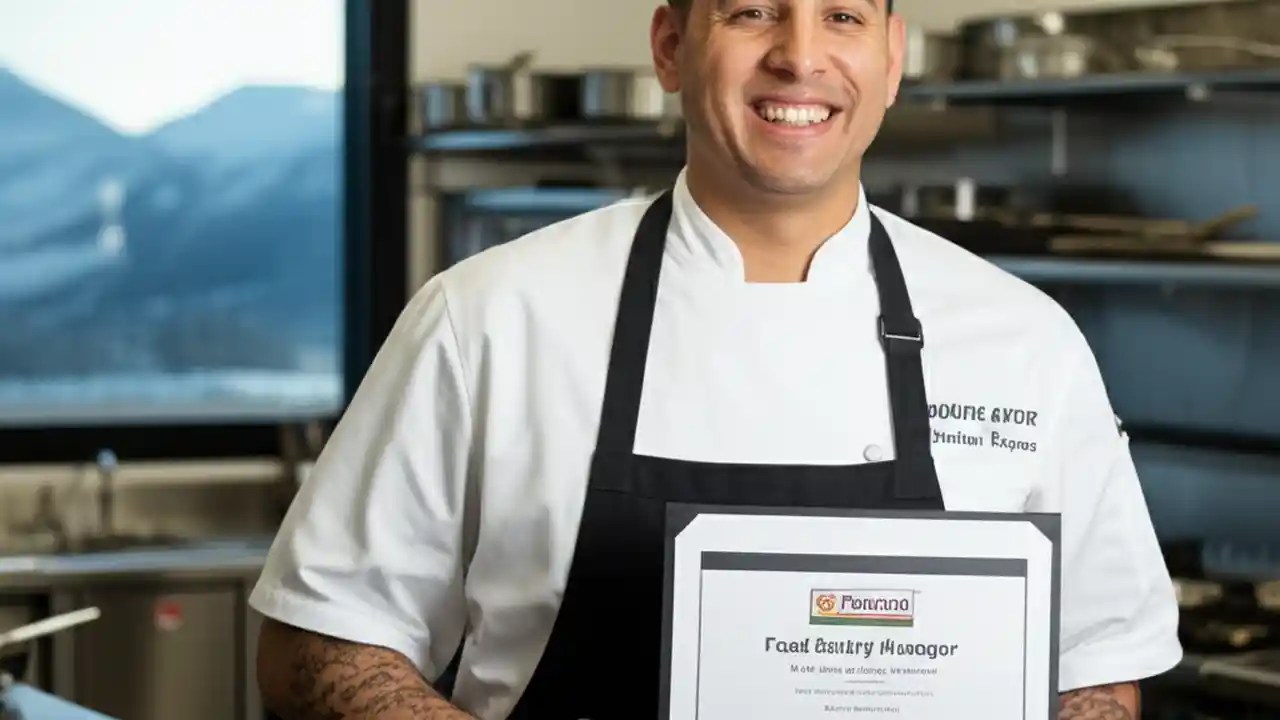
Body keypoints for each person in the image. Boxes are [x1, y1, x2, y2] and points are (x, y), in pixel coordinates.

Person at [251, 0, 1182, 718]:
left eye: (843, 17)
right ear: (670, 46)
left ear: (892, 58)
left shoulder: (1025, 342)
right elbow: (317, 647)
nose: (800, 56)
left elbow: (1097, 670)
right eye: (752, 12)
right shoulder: (490, 317)